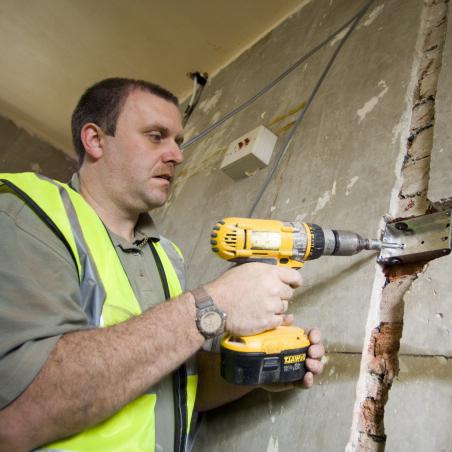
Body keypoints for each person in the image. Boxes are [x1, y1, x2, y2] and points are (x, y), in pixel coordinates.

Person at [0, 78, 325, 451]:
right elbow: (19, 411)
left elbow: (179, 386)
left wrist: (252, 373)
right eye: (156, 136)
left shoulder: (165, 255)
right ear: (95, 140)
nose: (177, 155)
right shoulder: (27, 211)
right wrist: (212, 305)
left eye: (178, 142)